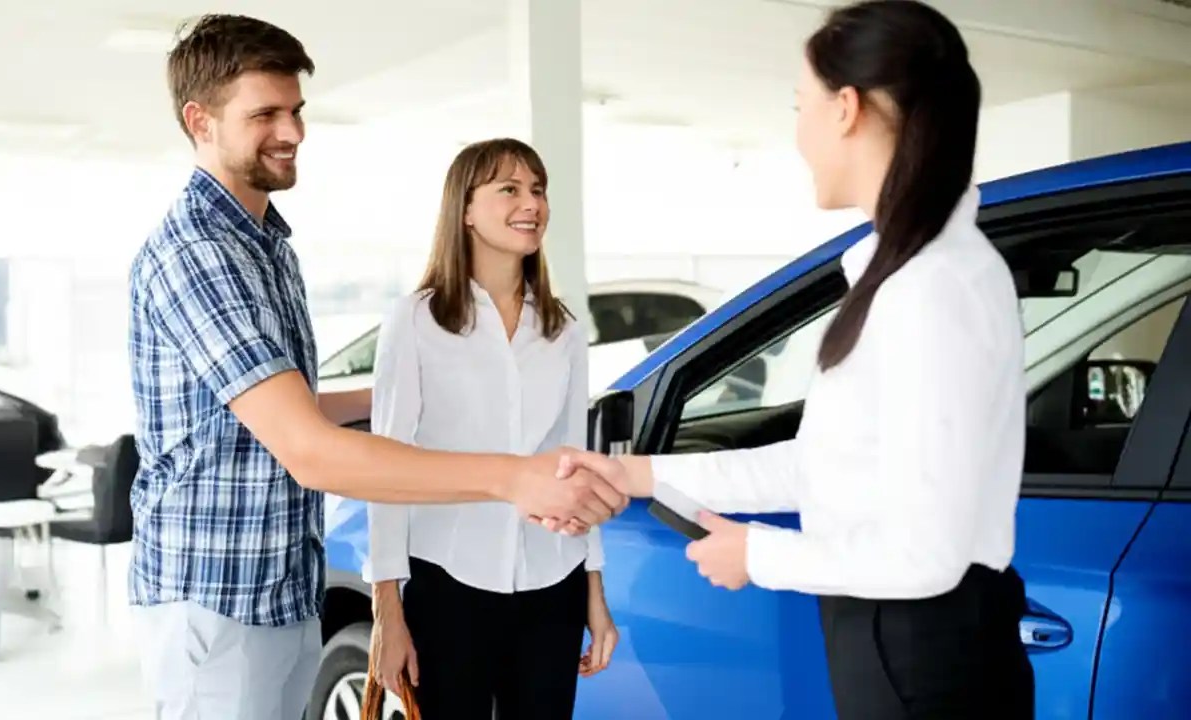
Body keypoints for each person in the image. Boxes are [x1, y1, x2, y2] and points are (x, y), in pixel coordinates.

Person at [128, 15, 625, 720]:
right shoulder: (201, 254)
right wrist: (510, 476)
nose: (293, 132)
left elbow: (286, 411)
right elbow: (308, 451)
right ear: (199, 120)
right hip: (217, 593)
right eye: (264, 114)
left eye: (296, 111)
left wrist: (422, 394)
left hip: (279, 585)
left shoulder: (266, 248)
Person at [557, 1, 1034, 718]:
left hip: (921, 655)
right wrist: (636, 473)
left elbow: (925, 553)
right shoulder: (905, 272)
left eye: (798, 104)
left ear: (846, 108)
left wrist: (759, 556)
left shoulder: (933, 285)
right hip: (900, 644)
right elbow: (818, 466)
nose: (798, 133)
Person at [365, 138, 619, 719]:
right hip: (447, 585)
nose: (531, 202)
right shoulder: (415, 321)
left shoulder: (563, 330)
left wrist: (594, 596)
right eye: (509, 188)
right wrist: (388, 609)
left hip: (553, 583)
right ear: (466, 210)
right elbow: (385, 469)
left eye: (537, 189)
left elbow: (572, 466)